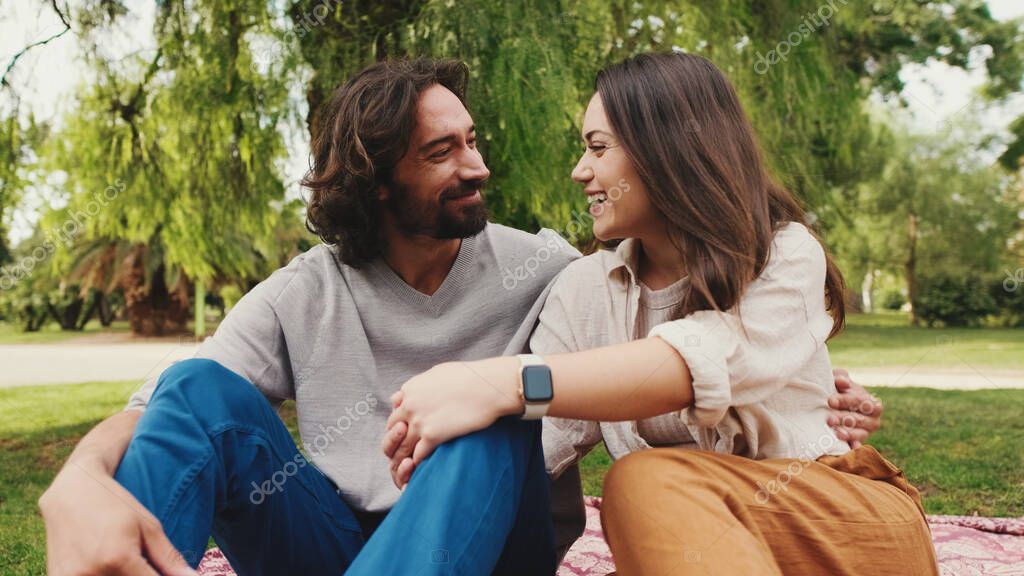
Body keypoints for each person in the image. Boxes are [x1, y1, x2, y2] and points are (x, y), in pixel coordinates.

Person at [39, 57, 883, 576]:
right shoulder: (308, 290)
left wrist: (795, 383)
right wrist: (79, 477)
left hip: (487, 544)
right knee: (197, 386)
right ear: (376, 182)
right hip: (334, 542)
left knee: (497, 412)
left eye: (471, 140)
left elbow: (688, 353)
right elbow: (166, 410)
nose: (477, 166)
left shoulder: (546, 268)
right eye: (442, 152)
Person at [383, 52, 939, 575]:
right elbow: (539, 442)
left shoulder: (784, 253)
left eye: (598, 148)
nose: (579, 170)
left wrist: (496, 382)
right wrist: (433, 460)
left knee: (642, 480)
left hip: (835, 516)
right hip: (701, 540)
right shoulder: (583, 289)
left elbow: (690, 364)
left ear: (668, 150)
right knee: (608, 474)